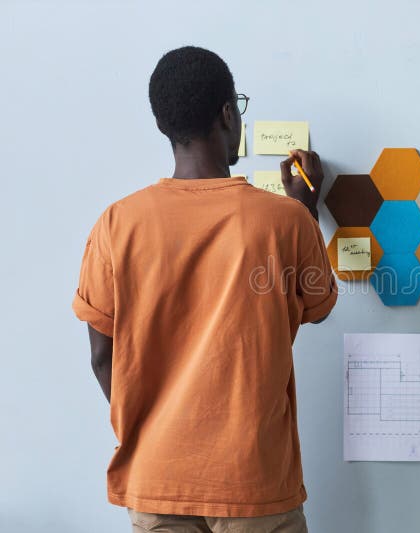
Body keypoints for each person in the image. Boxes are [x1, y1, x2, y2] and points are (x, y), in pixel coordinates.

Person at [72, 46, 337, 533]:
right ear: (228, 114)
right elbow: (318, 308)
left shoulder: (116, 223)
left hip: (158, 477)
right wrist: (305, 209)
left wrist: (152, 428)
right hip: (254, 481)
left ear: (164, 126)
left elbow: (101, 356)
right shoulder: (284, 221)